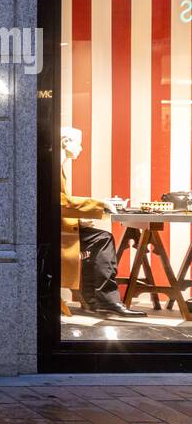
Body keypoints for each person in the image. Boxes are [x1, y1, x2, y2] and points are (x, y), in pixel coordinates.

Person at [60, 127, 142, 318]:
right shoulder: (56, 167)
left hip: (57, 228)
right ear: (65, 142)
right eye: (78, 143)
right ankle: (105, 299)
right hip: (54, 232)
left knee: (99, 238)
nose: (81, 148)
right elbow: (61, 202)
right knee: (102, 239)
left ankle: (93, 299)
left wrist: (79, 220)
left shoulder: (59, 167)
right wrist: (100, 203)